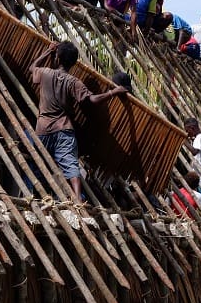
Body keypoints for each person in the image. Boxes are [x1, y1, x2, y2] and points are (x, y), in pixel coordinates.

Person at [28, 41, 127, 200]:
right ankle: (77, 199)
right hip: (63, 128)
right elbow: (92, 99)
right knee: (70, 164)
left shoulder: (45, 73)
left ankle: (41, 197)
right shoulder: (73, 82)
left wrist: (48, 51)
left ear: (58, 58)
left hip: (43, 128)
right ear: (73, 63)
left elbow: (32, 68)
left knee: (39, 165)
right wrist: (113, 92)